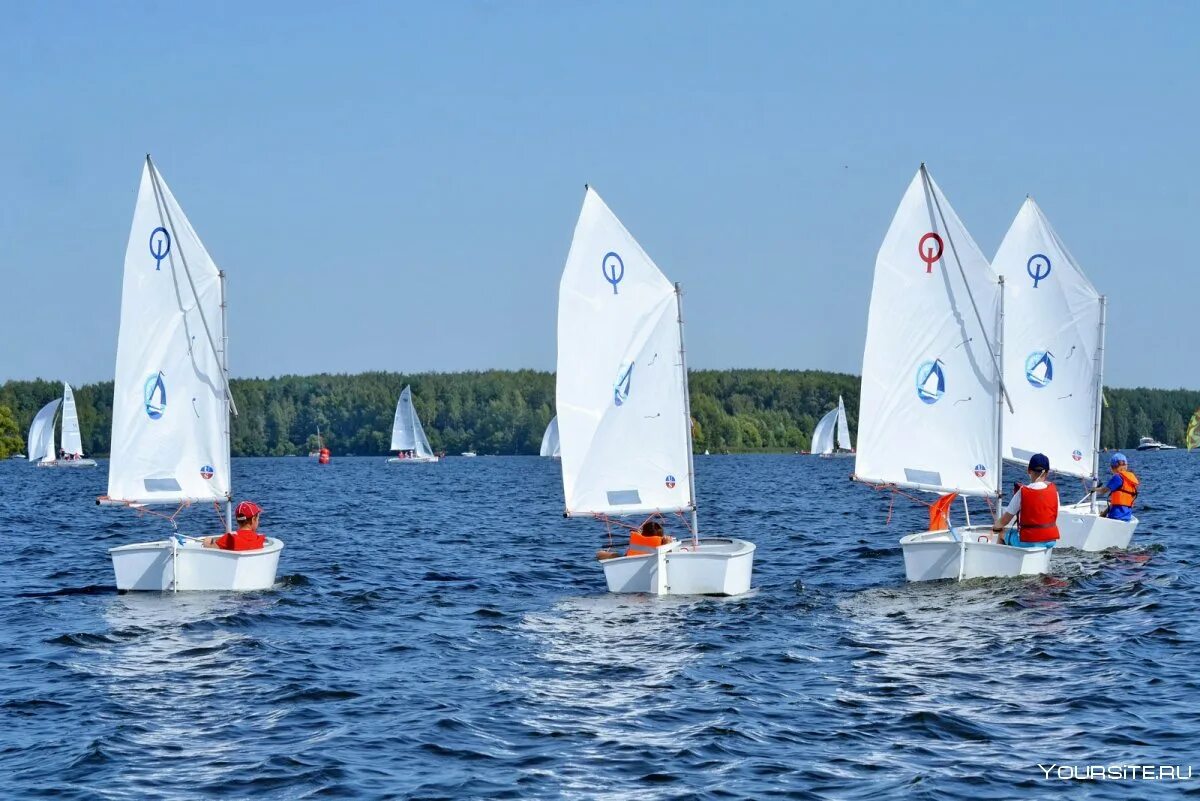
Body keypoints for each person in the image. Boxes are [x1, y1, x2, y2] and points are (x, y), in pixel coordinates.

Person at [991, 453, 1059, 547]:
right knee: (1015, 533)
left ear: (1029, 471)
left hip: (1028, 541)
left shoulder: (1022, 492)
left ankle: (1002, 561)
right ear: (1047, 472)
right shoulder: (1054, 491)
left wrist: (995, 527)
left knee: (1002, 534)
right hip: (1050, 541)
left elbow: (1004, 520)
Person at [1090, 452, 1140, 521]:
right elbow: (1117, 502)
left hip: (1116, 516)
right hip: (1127, 516)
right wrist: (1103, 515)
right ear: (1126, 465)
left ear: (1113, 467)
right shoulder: (1131, 479)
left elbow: (1103, 491)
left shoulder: (1117, 477)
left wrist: (1094, 489)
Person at [203, 501, 268, 551]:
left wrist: (207, 541)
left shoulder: (229, 539)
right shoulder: (259, 539)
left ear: (237, 520)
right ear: (253, 519)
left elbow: (211, 547)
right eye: (258, 519)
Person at [596, 520, 674, 561]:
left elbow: (599, 554)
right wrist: (668, 545)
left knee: (610, 554)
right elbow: (669, 560)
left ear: (642, 534)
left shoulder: (630, 553)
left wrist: (637, 538)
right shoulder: (664, 550)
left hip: (630, 563)